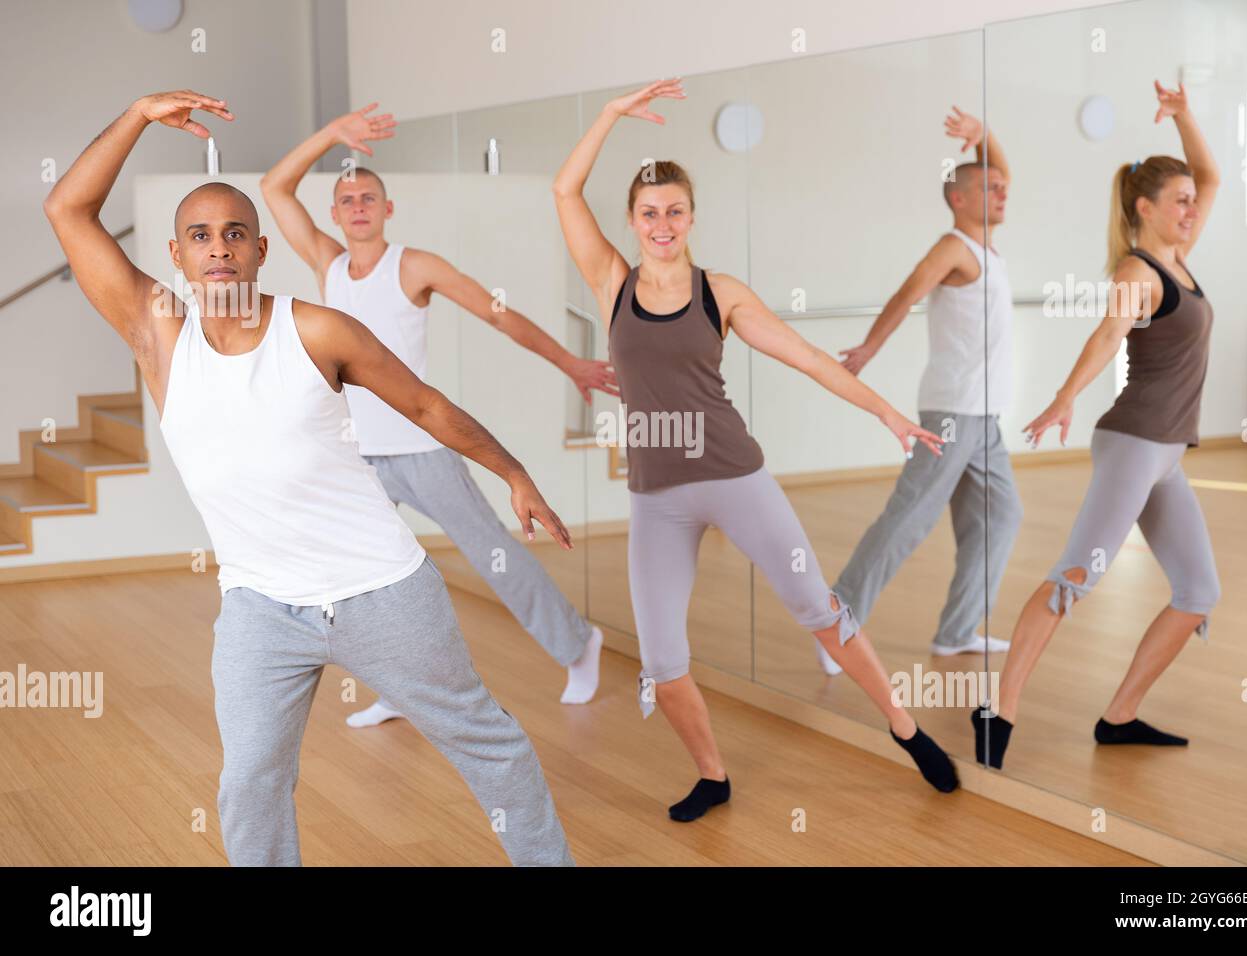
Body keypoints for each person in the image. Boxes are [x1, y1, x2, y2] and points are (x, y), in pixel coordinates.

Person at [44, 90, 575, 866]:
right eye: (199, 236)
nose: (218, 247)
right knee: (251, 778)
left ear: (262, 251)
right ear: (177, 256)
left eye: (235, 233)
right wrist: (135, 115)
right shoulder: (158, 334)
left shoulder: (317, 329)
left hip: (382, 589)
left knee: (485, 742)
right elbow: (68, 210)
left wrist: (514, 472)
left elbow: (426, 404)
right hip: (261, 606)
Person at [554, 78, 960, 822]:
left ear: (692, 217)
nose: (663, 223)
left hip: (735, 476)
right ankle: (712, 775)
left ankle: (906, 729)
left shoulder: (721, 293)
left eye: (675, 210)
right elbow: (564, 189)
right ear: (633, 221)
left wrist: (888, 414)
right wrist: (610, 114)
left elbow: (808, 357)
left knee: (818, 607)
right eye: (649, 212)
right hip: (655, 499)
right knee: (661, 660)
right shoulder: (611, 281)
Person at [262, 103, 612, 723]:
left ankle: (579, 644)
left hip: (422, 449)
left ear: (388, 209)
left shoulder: (415, 266)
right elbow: (273, 188)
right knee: (364, 580)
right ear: (335, 215)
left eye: (369, 196)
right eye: (347, 200)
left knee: (493, 558)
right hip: (359, 455)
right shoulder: (328, 264)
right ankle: (397, 689)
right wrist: (331, 134)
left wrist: (572, 365)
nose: (359, 206)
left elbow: (498, 315)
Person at [975, 81, 1221, 769]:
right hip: (1134, 444)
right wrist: (1063, 397)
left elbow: (1210, 175)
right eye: (1178, 202)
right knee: (1072, 580)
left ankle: (1119, 718)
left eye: (1191, 202)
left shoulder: (1179, 257)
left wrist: (1184, 115)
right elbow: (1108, 336)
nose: (1192, 208)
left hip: (1165, 451)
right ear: (1144, 209)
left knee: (1198, 593)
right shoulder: (1138, 271)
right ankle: (998, 718)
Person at [837, 106, 1023, 657]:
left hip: (982, 417)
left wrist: (987, 134)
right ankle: (838, 619)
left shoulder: (987, 250)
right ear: (958, 199)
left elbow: (1001, 173)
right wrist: (870, 345)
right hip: (952, 411)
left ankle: (958, 632)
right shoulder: (954, 248)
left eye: (1002, 189)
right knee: (908, 520)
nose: (1002, 195)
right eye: (989, 189)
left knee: (1000, 517)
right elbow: (908, 292)